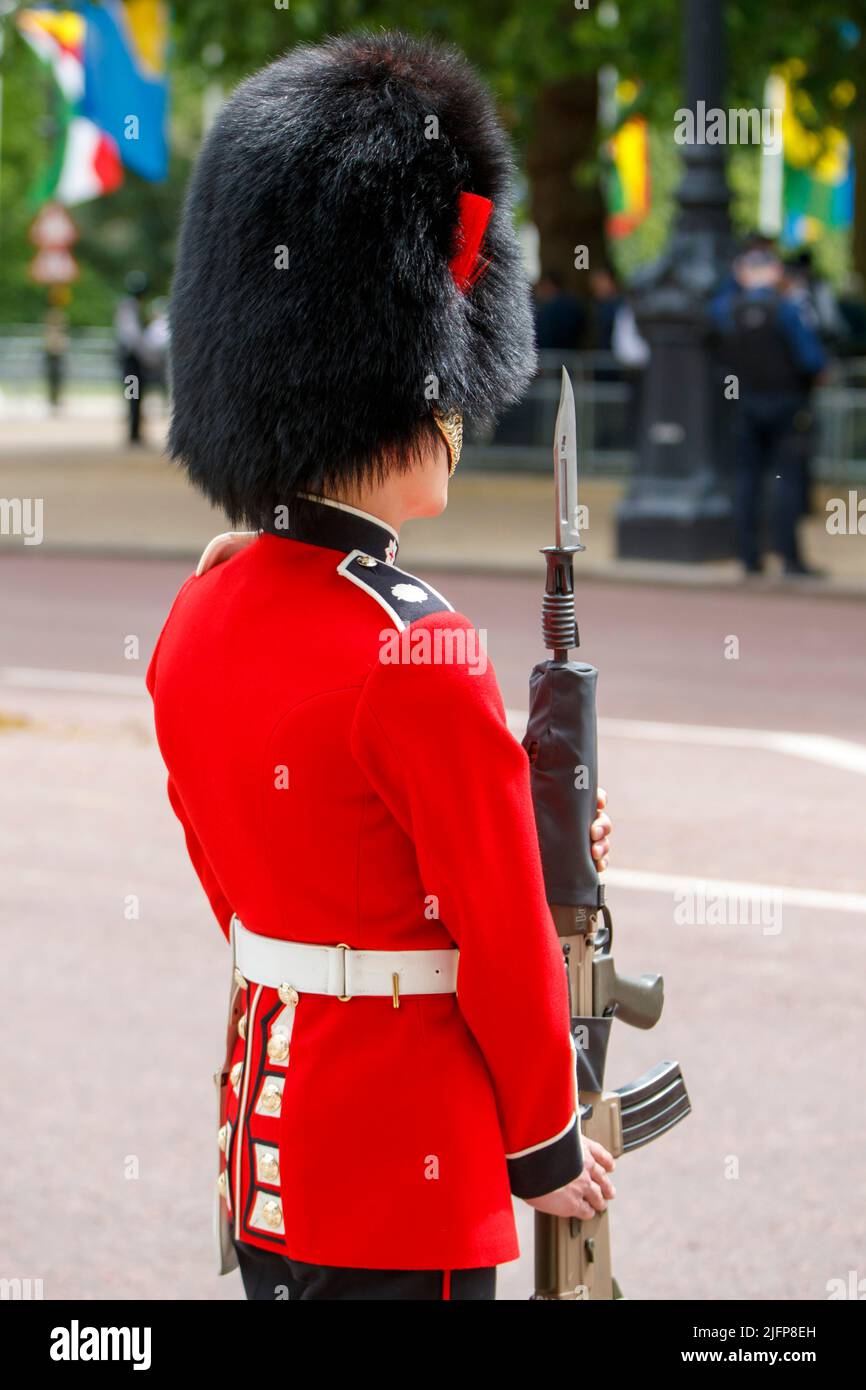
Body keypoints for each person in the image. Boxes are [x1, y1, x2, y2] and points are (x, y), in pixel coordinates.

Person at [147, 31, 615, 1303]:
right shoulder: (418, 643)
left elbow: (259, 872)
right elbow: (500, 931)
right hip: (410, 1168)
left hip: (270, 1143)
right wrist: (542, 1141)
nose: (463, 417)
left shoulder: (201, 609)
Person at [711, 244, 827, 577]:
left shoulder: (727, 309)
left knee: (746, 480)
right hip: (786, 404)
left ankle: (749, 557)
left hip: (745, 404)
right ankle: (789, 558)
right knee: (786, 480)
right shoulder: (786, 309)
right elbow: (812, 359)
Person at [114, 270, 148, 443]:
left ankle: (134, 429)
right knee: (133, 395)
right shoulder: (130, 307)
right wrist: (146, 355)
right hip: (131, 361)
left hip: (131, 360)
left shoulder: (127, 306)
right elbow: (132, 336)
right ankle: (133, 432)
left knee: (133, 395)